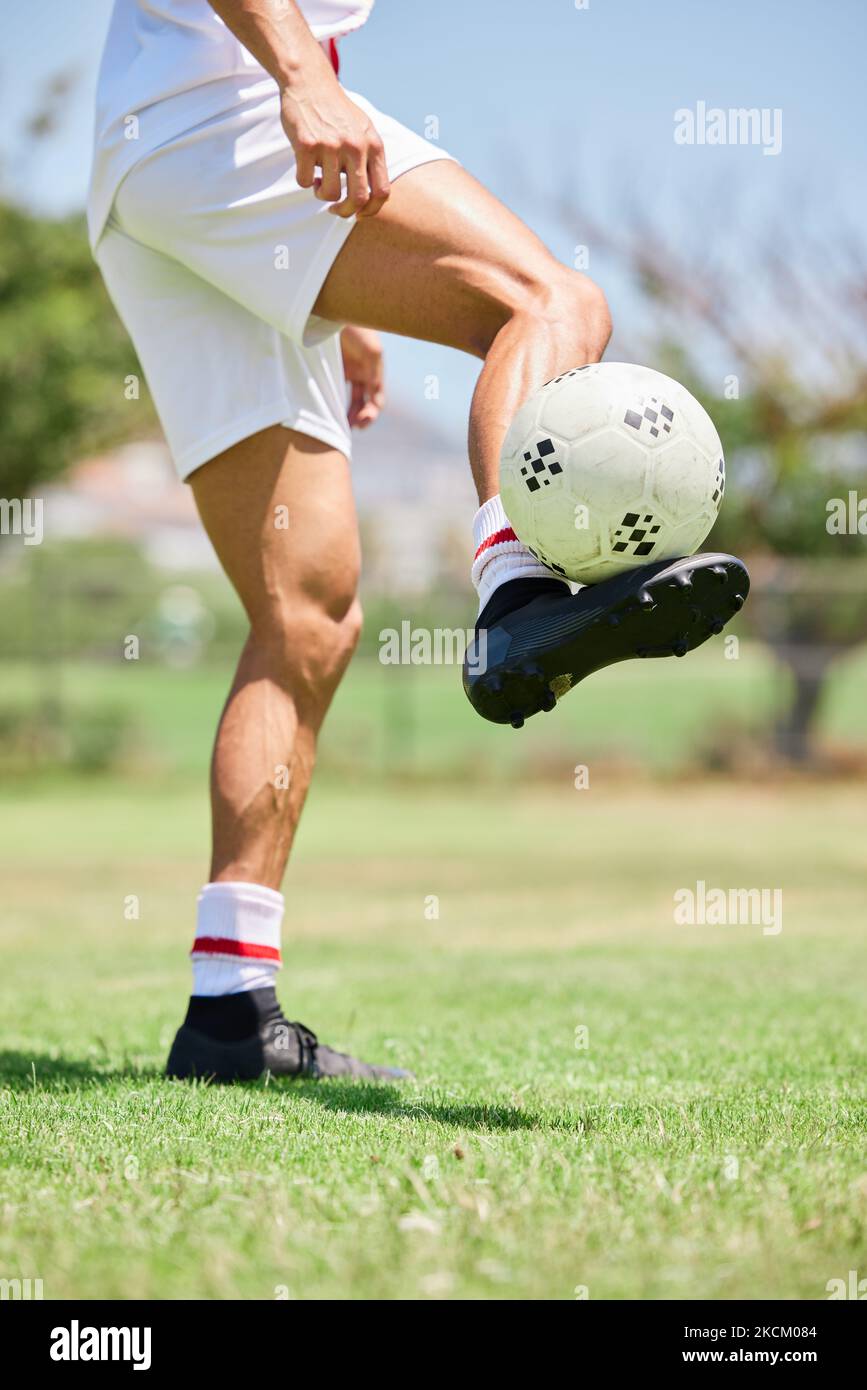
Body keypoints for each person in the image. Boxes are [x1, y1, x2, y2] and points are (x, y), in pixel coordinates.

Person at [88, 0, 747, 1082]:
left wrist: (334, 306)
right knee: (547, 300)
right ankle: (520, 592)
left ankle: (227, 1012)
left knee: (306, 616)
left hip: (151, 178)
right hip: (225, 108)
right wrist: (302, 76)